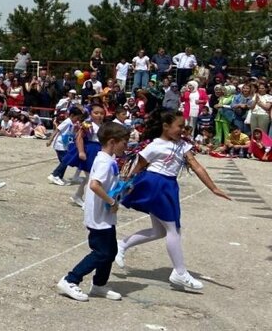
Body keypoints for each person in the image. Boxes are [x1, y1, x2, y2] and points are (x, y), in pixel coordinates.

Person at [116, 110, 230, 291]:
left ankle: (122, 245)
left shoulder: (182, 145)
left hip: (168, 186)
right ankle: (180, 272)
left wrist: (213, 188)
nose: (183, 130)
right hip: (156, 184)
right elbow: (138, 165)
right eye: (179, 126)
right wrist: (124, 184)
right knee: (173, 230)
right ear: (166, 126)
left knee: (159, 231)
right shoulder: (155, 145)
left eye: (184, 126)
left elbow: (197, 167)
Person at [56, 122, 130, 302]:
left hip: (106, 216)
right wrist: (112, 201)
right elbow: (95, 185)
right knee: (101, 252)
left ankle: (99, 284)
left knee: (110, 251)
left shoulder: (109, 159)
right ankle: (70, 279)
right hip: (98, 217)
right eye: (124, 142)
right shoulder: (104, 162)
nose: (126, 146)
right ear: (112, 142)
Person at [64, 104, 106, 207]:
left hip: (98, 151)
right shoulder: (87, 124)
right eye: (96, 113)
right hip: (89, 151)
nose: (99, 115)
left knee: (90, 178)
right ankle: (88, 202)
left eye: (101, 113)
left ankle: (78, 195)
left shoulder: (103, 126)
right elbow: (79, 138)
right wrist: (81, 152)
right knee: (91, 178)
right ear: (90, 113)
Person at [47, 107, 85, 186]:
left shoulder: (71, 123)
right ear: (72, 115)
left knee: (65, 161)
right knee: (66, 160)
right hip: (60, 145)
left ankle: (60, 176)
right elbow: (57, 130)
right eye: (77, 118)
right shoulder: (67, 122)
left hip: (64, 145)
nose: (77, 120)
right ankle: (54, 175)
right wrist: (50, 140)